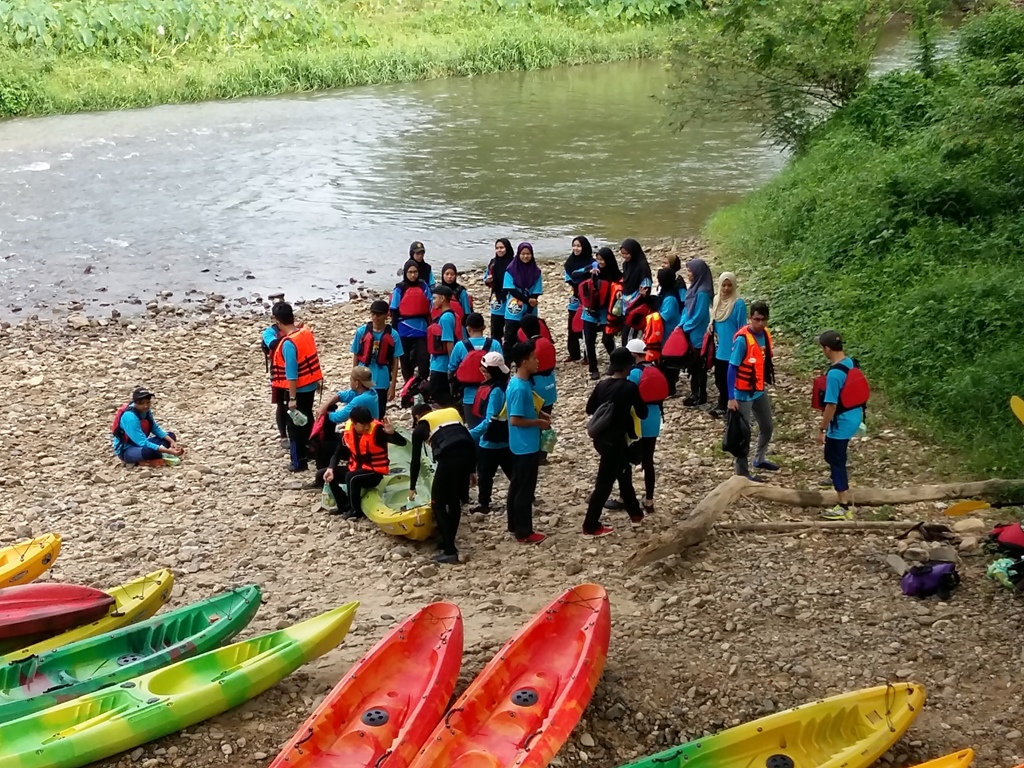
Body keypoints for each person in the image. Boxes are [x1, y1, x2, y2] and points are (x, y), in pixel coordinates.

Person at [583, 348, 648, 536]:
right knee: (604, 485)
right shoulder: (629, 387)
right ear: (628, 366)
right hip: (616, 441)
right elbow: (642, 413)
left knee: (624, 474)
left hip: (601, 439)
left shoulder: (602, 385)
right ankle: (590, 524)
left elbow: (590, 409)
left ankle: (635, 514)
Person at [409, 404, 477, 564]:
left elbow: (415, 460)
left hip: (449, 458)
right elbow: (467, 439)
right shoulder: (452, 413)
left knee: (437, 504)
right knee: (454, 502)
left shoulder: (421, 428)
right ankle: (447, 540)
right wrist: (472, 470)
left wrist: (412, 487)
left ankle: (449, 551)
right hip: (468, 454)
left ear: (417, 417)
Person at [816, 330, 865, 520]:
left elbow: (831, 404)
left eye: (822, 347)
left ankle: (844, 506)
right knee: (833, 455)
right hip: (855, 415)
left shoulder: (835, 374)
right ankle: (835, 481)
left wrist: (822, 429)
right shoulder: (849, 362)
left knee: (837, 461)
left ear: (827, 349)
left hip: (842, 422)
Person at [323, 407, 406, 520]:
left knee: (351, 477)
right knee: (329, 475)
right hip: (356, 467)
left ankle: (355, 511)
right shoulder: (347, 432)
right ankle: (344, 505)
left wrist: (392, 433)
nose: (367, 427)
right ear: (354, 423)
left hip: (374, 473)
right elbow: (337, 453)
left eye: (368, 423)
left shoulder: (377, 431)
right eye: (363, 425)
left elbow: (402, 443)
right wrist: (330, 468)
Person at [269, 302, 324, 472]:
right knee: (307, 420)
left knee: (294, 428)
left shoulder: (288, 343)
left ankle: (298, 462)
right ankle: (312, 451)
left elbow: (291, 374)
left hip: (298, 390)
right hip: (310, 386)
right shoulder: (305, 333)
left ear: (278, 322)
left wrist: (291, 398)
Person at [728, 301, 779, 480]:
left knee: (767, 426)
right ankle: (742, 471)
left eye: (762, 320)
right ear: (750, 318)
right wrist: (731, 397)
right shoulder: (742, 340)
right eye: (756, 319)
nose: (759, 323)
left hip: (758, 389)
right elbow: (732, 368)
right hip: (742, 392)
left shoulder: (765, 335)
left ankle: (759, 458)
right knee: (743, 433)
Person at [506, 340, 550, 544]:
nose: (537, 361)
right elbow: (515, 419)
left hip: (521, 443)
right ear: (524, 362)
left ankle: (514, 524)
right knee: (525, 489)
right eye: (533, 357)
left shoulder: (519, 384)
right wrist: (538, 422)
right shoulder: (519, 388)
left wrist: (537, 413)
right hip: (525, 445)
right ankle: (524, 531)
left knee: (517, 485)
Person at [468, 351, 515, 514]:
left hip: (490, 442)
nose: (483, 373)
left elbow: (489, 420)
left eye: (485, 371)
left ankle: (484, 503)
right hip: (505, 439)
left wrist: (469, 434)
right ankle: (526, 495)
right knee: (512, 471)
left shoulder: (495, 392)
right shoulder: (506, 385)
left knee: (485, 475)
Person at [627, 339, 665, 512]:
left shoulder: (634, 373)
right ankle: (649, 500)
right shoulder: (656, 369)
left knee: (627, 459)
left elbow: (627, 395)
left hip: (637, 418)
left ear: (634, 354)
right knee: (648, 460)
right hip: (654, 417)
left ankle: (624, 497)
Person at [575, 246, 622, 381]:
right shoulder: (593, 267)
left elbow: (621, 284)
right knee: (589, 340)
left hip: (605, 312)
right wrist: (588, 270)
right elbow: (574, 274)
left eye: (602, 260)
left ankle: (614, 363)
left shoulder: (615, 274)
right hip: (589, 311)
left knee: (607, 339)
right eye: (598, 259)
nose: (600, 262)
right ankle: (593, 368)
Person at [448, 312, 501, 429]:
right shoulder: (495, 344)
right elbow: (501, 368)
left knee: (473, 430)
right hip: (491, 395)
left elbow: (451, 369)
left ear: (468, 328)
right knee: (491, 429)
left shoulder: (460, 346)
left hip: (469, 397)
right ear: (484, 327)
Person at [351, 300, 403, 416]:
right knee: (360, 412)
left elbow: (395, 361)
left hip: (381, 379)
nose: (375, 317)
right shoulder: (361, 332)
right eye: (373, 314)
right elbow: (355, 355)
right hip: (362, 376)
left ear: (386, 315)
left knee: (379, 412)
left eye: (379, 314)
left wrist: (392, 386)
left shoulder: (393, 335)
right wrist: (353, 378)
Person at [111, 387, 184, 465]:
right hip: (127, 449)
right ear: (135, 403)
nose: (145, 406)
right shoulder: (130, 418)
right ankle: (142, 459)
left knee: (170, 435)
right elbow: (142, 442)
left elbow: (155, 428)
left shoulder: (145, 410)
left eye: (148, 402)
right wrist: (168, 451)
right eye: (141, 403)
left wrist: (172, 442)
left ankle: (151, 457)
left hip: (141, 443)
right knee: (150, 451)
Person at [709, 272, 747, 418]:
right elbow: (714, 320)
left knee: (732, 378)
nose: (726, 288)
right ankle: (722, 403)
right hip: (720, 348)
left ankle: (732, 406)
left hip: (733, 348)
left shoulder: (738, 304)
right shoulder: (717, 300)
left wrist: (741, 346)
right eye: (723, 285)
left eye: (729, 285)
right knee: (720, 378)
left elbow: (742, 327)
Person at [679, 258, 714, 407]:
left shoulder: (702, 293)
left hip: (698, 335)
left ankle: (700, 395)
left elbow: (699, 316)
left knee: (699, 366)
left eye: (689, 271)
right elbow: (687, 310)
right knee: (692, 366)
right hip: (690, 333)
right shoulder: (693, 289)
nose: (688, 274)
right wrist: (681, 325)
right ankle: (695, 393)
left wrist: (685, 327)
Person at [390, 262, 433, 383]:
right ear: (405, 273)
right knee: (405, 360)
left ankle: (422, 382)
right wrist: (394, 332)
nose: (413, 275)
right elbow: (394, 310)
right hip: (403, 329)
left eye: (415, 272)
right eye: (410, 272)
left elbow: (430, 305)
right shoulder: (400, 288)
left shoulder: (423, 286)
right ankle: (408, 383)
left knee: (424, 358)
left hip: (421, 329)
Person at [502, 242, 543, 351]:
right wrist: (528, 300)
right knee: (510, 338)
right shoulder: (510, 270)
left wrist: (530, 307)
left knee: (529, 339)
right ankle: (507, 363)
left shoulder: (536, 272)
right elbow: (511, 290)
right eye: (523, 254)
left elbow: (536, 291)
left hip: (530, 310)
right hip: (513, 310)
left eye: (528, 254)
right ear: (518, 254)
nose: (525, 256)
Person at [261, 294, 289, 445]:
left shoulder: (292, 329)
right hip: (278, 372)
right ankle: (283, 435)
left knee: (294, 401)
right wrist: (290, 337)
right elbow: (272, 345)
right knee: (281, 403)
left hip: (293, 369)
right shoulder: (269, 333)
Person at [426, 286, 458, 407]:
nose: (433, 301)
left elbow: (449, 341)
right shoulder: (447, 315)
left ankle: (455, 411)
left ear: (443, 298)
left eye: (434, 298)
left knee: (437, 392)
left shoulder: (446, 317)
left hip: (442, 365)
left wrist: (452, 365)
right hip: (438, 362)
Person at [564, 236, 593, 363]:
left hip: (587, 298)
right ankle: (574, 353)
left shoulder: (591, 262)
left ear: (584, 247)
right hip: (575, 297)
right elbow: (570, 277)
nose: (576, 248)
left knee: (586, 326)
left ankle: (588, 355)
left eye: (579, 246)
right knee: (571, 326)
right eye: (574, 245)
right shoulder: (569, 262)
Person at [655, 267, 683, 396]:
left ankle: (670, 388)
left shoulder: (670, 298)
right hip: (667, 333)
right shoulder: (668, 293)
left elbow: (664, 316)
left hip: (669, 334)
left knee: (668, 362)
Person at [619, 238, 652, 344]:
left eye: (627, 253)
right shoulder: (626, 265)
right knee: (625, 335)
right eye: (623, 254)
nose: (625, 256)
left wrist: (644, 295)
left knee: (630, 337)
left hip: (637, 307)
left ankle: (631, 358)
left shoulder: (642, 266)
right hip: (626, 305)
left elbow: (646, 286)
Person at [485, 238, 514, 343]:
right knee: (496, 328)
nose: (499, 250)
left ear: (507, 248)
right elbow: (486, 278)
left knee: (511, 328)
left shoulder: (514, 263)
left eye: (502, 248)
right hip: (497, 298)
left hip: (511, 297)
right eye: (497, 248)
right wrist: (488, 280)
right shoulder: (493, 263)